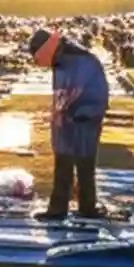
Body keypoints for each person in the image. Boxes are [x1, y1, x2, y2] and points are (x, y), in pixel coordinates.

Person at [26, 28, 110, 220]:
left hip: (83, 120)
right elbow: (62, 91)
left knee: (84, 165)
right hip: (65, 119)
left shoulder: (83, 61)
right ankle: (58, 209)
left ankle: (87, 207)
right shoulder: (61, 61)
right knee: (62, 165)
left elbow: (98, 93)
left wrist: (84, 112)